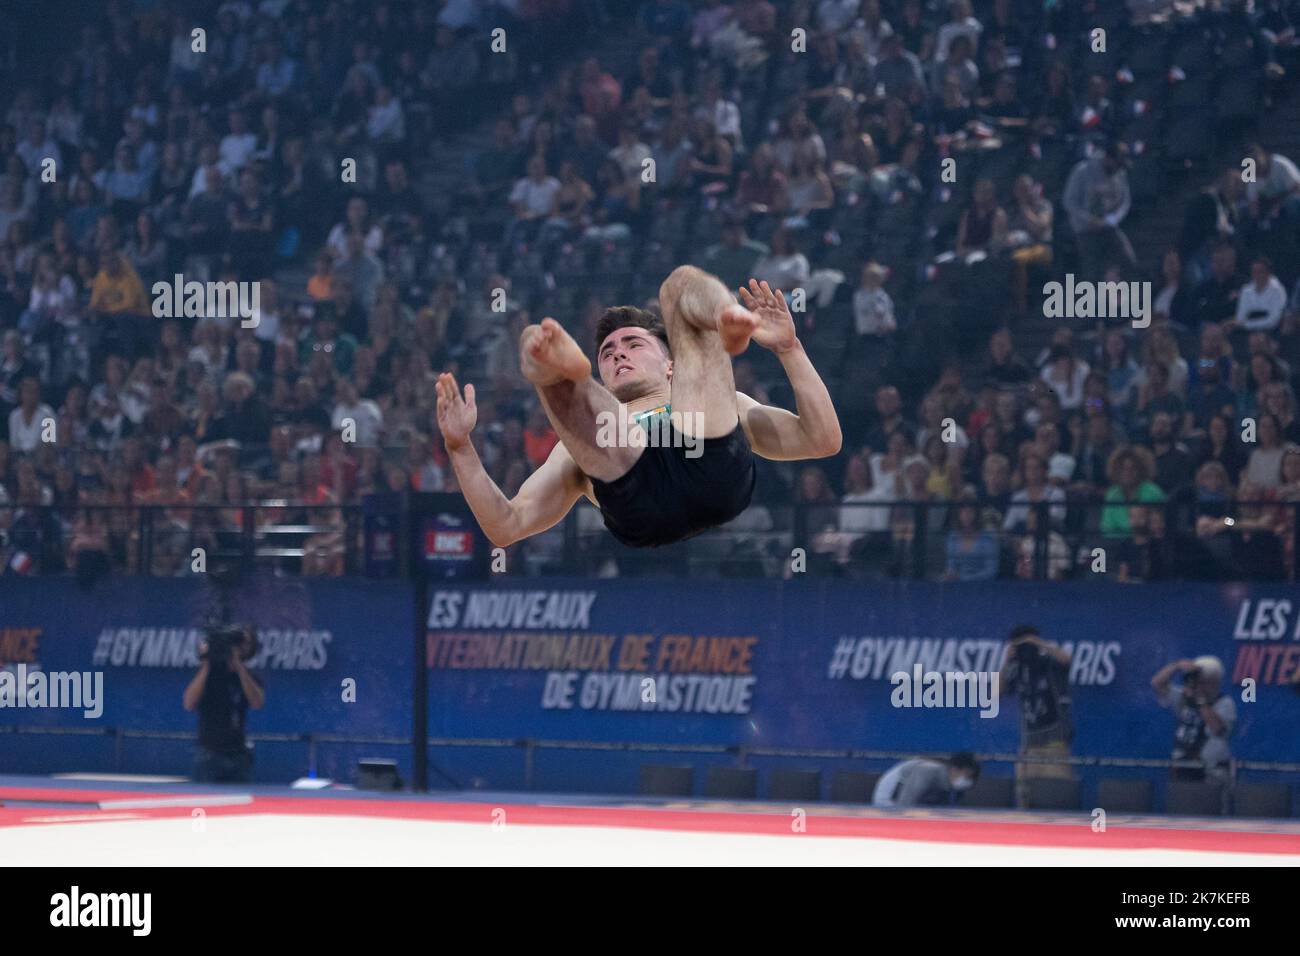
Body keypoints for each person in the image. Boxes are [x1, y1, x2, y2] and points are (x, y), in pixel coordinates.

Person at [436, 271, 842, 548]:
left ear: (670, 363)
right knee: (533, 344)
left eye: (633, 344)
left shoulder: (723, 402)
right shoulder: (582, 441)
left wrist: (790, 348)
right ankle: (559, 375)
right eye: (607, 353)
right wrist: (459, 448)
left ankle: (720, 324)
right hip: (636, 494)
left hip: (709, 466)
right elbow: (507, 525)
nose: (618, 355)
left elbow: (823, 439)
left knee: (678, 287)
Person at [998, 624, 1073, 808]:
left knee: (1057, 797)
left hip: (1054, 743)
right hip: (1029, 745)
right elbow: (996, 692)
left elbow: (1066, 660)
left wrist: (1039, 643)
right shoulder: (1017, 668)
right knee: (1026, 798)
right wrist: (1006, 661)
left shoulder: (1048, 663)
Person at [182, 626, 265, 783]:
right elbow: (189, 703)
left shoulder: (249, 677)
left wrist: (238, 666)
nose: (238, 648)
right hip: (209, 753)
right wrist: (207, 662)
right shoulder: (209, 675)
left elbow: (257, 702)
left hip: (238, 753)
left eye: (243, 644)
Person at [1151, 655, 1236, 783]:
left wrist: (1200, 700)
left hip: (1212, 770)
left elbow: (1218, 729)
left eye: (1203, 682)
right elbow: (1157, 684)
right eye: (1197, 681)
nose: (1199, 686)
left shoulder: (1225, 703)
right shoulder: (1183, 698)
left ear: (1214, 683)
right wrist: (1176, 666)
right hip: (1183, 766)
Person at [872, 752, 980, 807]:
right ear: (954, 769)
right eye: (966, 774)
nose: (967, 780)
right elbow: (905, 803)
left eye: (970, 777)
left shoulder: (954, 786)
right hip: (890, 798)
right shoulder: (926, 771)